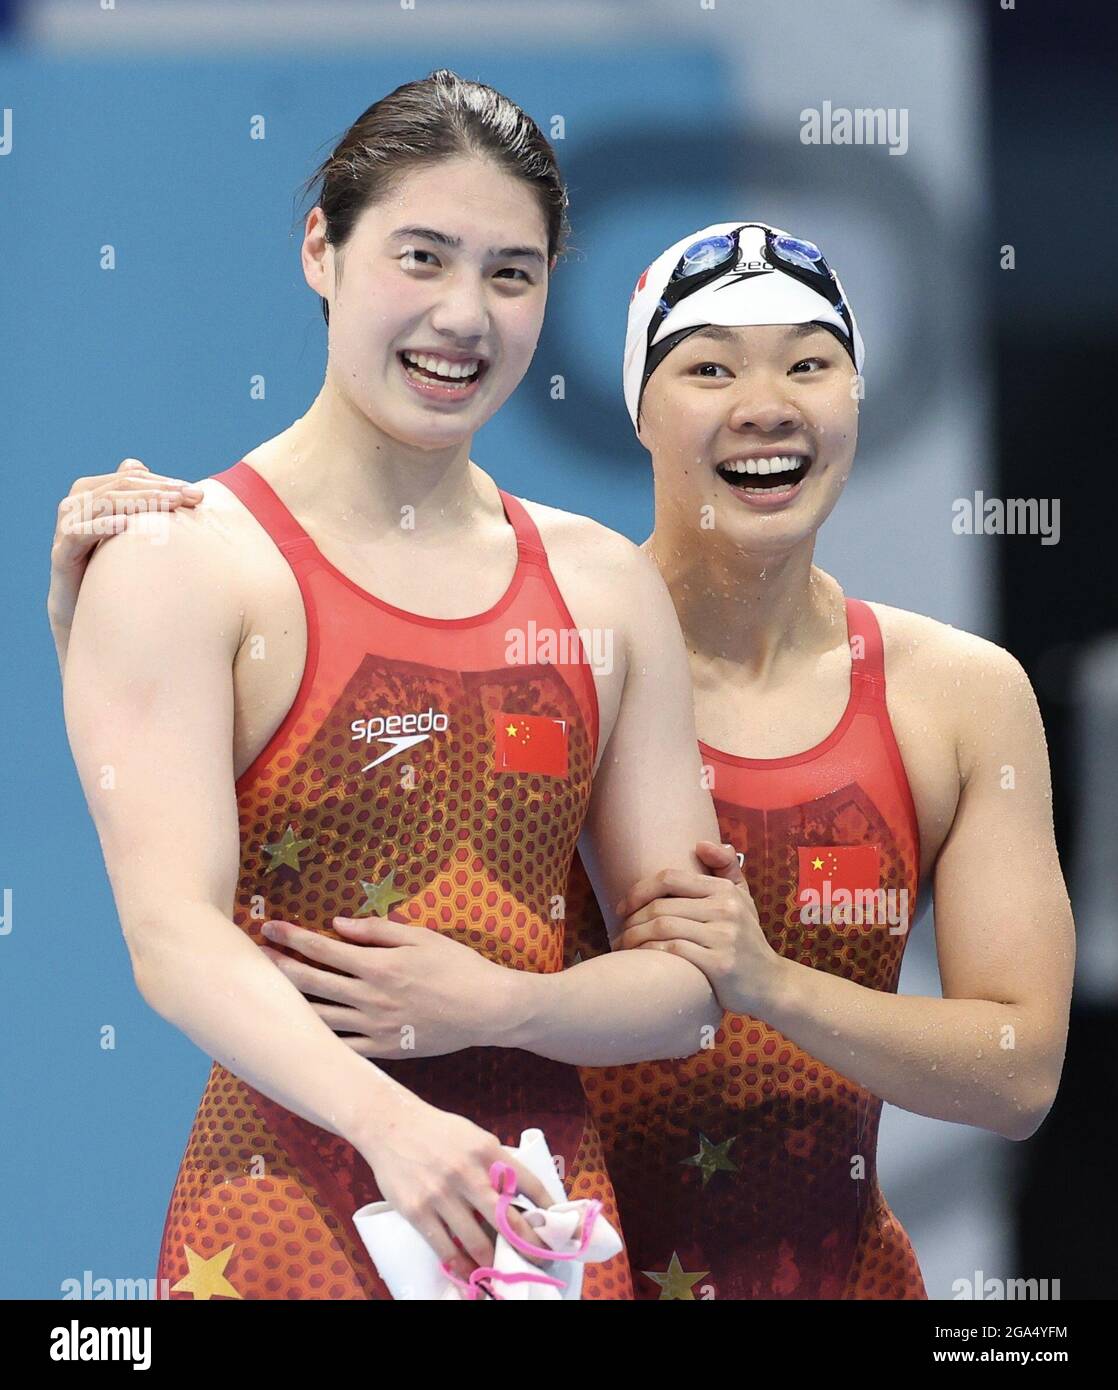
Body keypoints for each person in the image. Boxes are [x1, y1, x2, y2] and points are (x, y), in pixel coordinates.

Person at [51, 73, 756, 1301]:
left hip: (540, 1218)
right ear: (319, 250)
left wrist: (500, 1005)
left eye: (510, 273)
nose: (462, 316)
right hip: (278, 1227)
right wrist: (393, 1124)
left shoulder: (602, 588)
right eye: (420, 256)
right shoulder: (178, 560)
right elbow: (171, 937)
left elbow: (691, 989)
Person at [557, 221, 1074, 1298]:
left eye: (807, 364)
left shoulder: (958, 697)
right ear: (639, 411)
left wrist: (769, 986)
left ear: (854, 402)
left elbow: (1018, 1072)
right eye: (709, 369)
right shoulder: (547, 667)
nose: (766, 405)